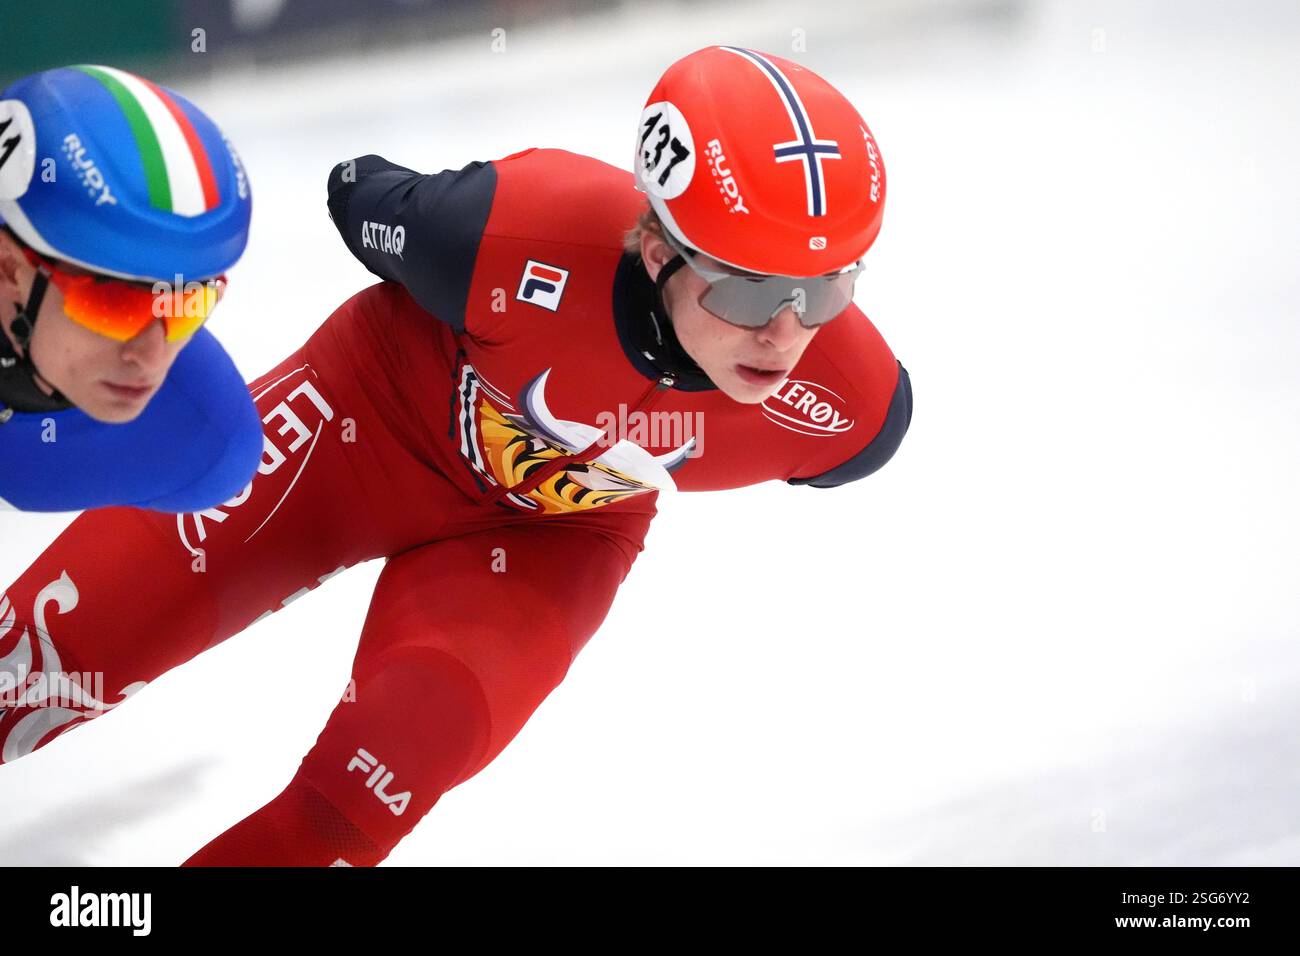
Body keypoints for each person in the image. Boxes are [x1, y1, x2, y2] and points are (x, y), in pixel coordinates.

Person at [0, 46, 911, 865]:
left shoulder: (854, 406)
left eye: (826, 291)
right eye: (749, 294)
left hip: (554, 541)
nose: (786, 333)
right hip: (370, 418)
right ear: (653, 245)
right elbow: (356, 189)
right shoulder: (505, 232)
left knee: (360, 800)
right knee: (34, 666)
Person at [0, 64, 261, 513]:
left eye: (187, 307)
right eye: (113, 307)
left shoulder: (200, 440)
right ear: (9, 268)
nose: (152, 357)